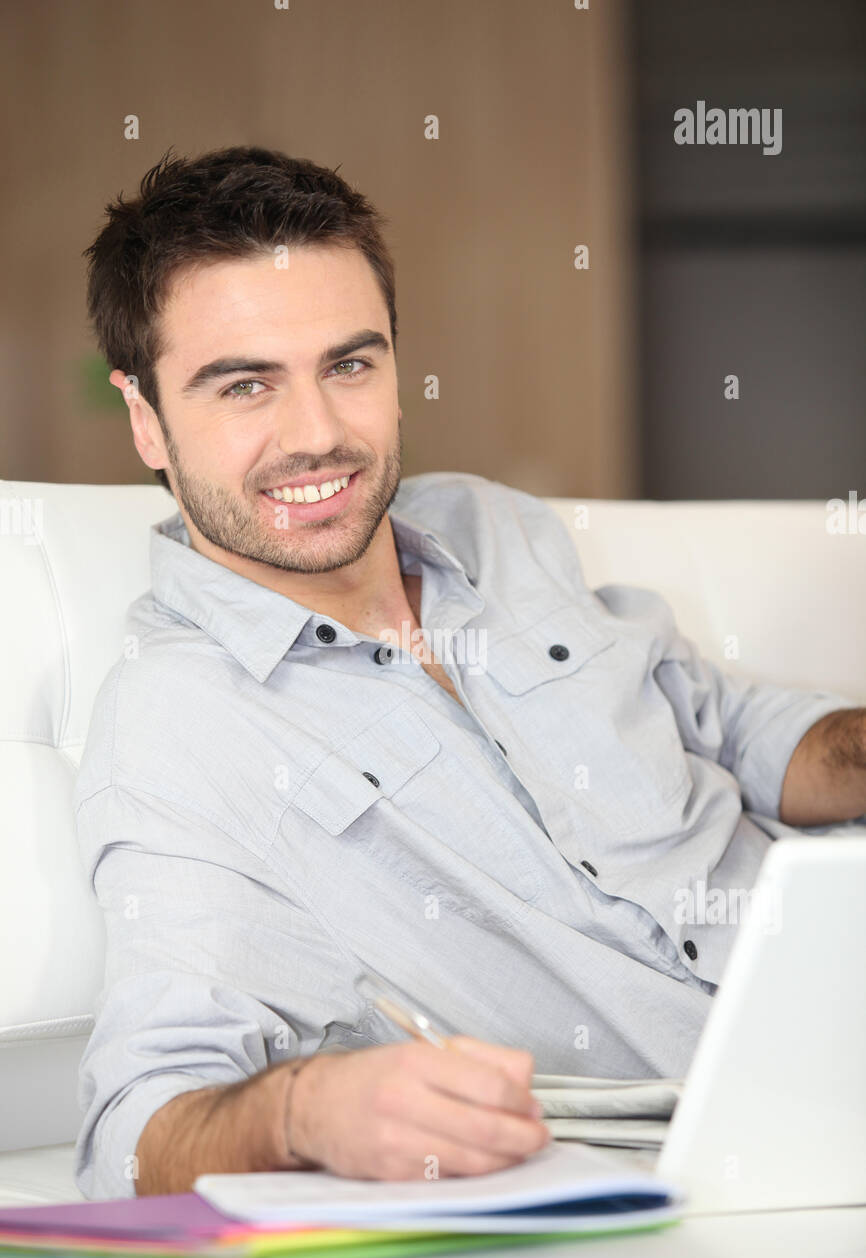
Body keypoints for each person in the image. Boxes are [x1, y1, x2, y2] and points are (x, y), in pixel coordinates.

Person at [74, 146, 866, 1200]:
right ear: (144, 418)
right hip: (750, 1152)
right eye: (243, 384)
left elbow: (731, 731)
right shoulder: (175, 719)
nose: (316, 435)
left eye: (349, 365)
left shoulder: (493, 529)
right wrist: (307, 1110)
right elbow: (135, 1130)